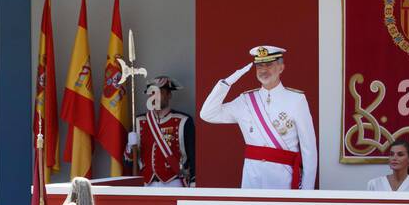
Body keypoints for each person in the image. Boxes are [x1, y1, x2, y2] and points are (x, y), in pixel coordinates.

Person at [199, 45, 318, 189]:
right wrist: (227, 82)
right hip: (252, 178)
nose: (263, 70)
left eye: (269, 65)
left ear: (281, 68)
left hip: (283, 178)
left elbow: (309, 148)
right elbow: (207, 114)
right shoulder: (245, 100)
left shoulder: (296, 99)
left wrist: (307, 190)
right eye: (259, 66)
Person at [126, 76, 194, 186]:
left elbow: (192, 155)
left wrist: (193, 182)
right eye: (152, 93)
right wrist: (130, 146)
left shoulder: (183, 120)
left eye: (159, 92)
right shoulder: (138, 122)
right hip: (146, 183)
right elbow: (129, 160)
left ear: (169, 95)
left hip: (174, 182)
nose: (155, 96)